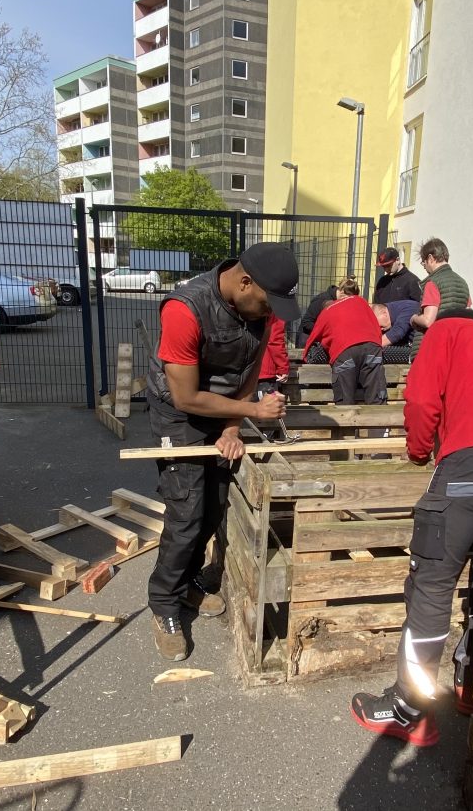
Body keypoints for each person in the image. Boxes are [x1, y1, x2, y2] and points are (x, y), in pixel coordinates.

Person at [350, 309, 473, 746]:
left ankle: (408, 709)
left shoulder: (447, 332)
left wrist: (419, 450)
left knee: (433, 582)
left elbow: (422, 400)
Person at [146, 242, 300, 661]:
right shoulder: (185, 309)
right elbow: (186, 397)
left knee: (214, 505)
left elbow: (248, 374)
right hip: (180, 413)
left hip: (224, 407)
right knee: (186, 511)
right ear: (245, 281)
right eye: (268, 303)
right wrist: (252, 411)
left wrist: (233, 427)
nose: (270, 314)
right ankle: (164, 604)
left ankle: (188, 579)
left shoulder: (258, 311)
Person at [305, 276, 387, 406]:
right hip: (372, 348)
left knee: (345, 401)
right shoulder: (362, 302)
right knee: (376, 398)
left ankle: (347, 425)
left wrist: (306, 355)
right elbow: (375, 327)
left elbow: (314, 336)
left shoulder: (328, 310)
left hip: (345, 351)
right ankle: (380, 426)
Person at [410, 238, 471, 339]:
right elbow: (468, 315)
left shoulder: (433, 282)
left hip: (432, 342)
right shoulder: (462, 282)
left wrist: (414, 318)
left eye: (423, 262)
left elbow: (427, 321)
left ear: (430, 258)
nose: (424, 267)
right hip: (453, 340)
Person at [255, 314, 289, 398]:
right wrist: (283, 368)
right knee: (268, 407)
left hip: (246, 369)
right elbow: (275, 341)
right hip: (265, 370)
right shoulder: (275, 312)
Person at [298, 284, 337, 348]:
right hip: (307, 338)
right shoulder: (321, 300)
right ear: (342, 292)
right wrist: (322, 331)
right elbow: (306, 322)